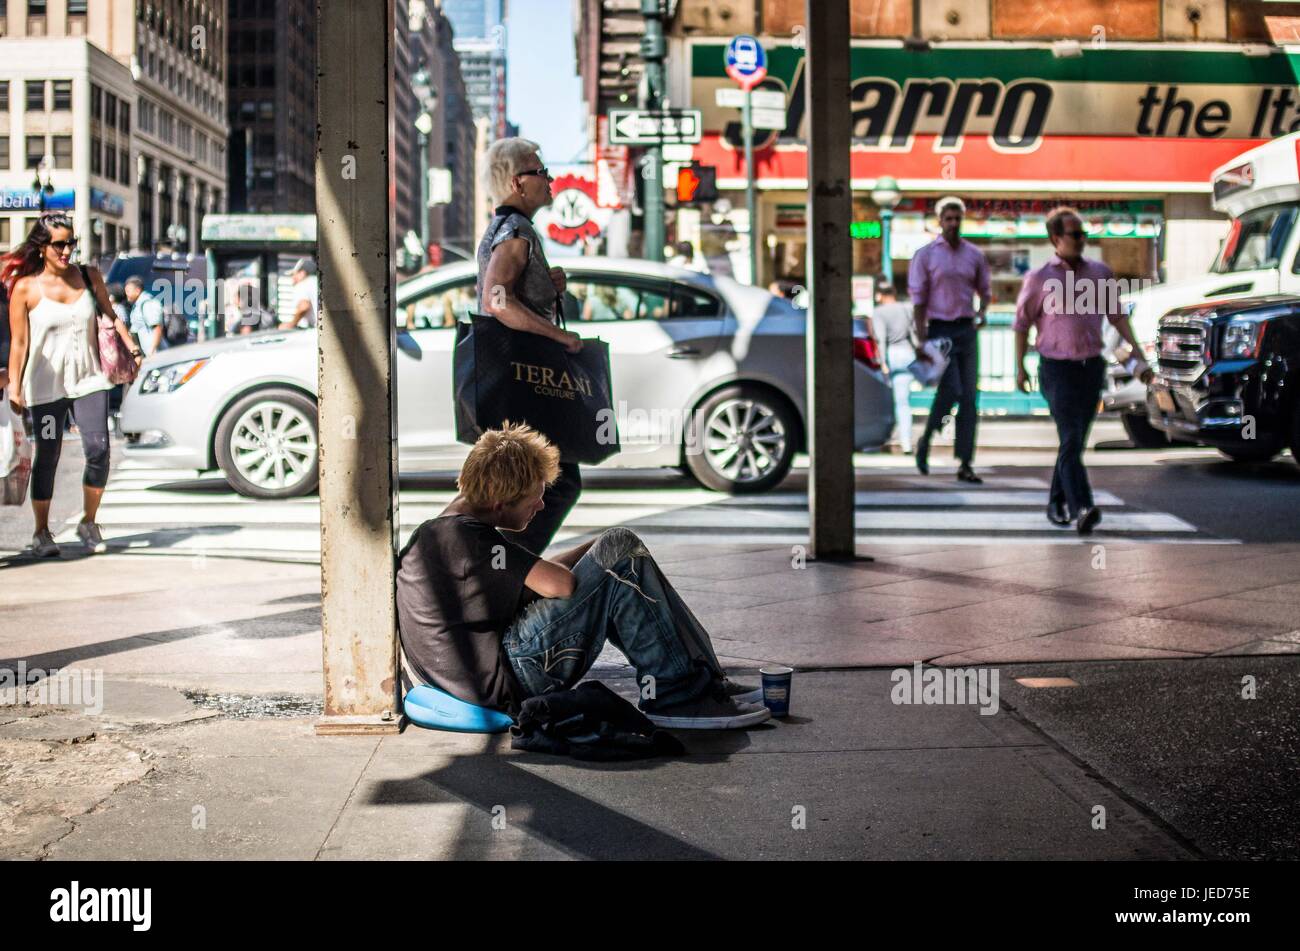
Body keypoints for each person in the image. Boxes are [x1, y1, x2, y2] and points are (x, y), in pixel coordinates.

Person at [396, 422, 771, 730]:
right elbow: (560, 584)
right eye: (535, 497)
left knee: (620, 547)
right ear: (500, 502)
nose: (542, 505)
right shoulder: (464, 538)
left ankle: (705, 683)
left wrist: (601, 549)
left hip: (490, 676)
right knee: (620, 547)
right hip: (509, 682)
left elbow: (541, 575)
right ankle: (679, 697)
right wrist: (609, 551)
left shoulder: (444, 532)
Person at [3, 213, 142, 557]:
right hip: (45, 387)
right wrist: (16, 388)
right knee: (47, 455)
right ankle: (41, 532)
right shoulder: (25, 288)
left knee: (98, 450)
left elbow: (111, 316)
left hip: (90, 379)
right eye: (59, 244)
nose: (67, 250)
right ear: (42, 246)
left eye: (71, 242)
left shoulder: (87, 275)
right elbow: (19, 343)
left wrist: (134, 349)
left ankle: (88, 521)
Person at [476, 137, 584, 555]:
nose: (550, 179)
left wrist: (546, 283)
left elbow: (509, 291)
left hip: (513, 375)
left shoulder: (510, 228)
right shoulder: (515, 231)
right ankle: (508, 568)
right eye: (541, 172)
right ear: (518, 183)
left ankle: (498, 566)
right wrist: (561, 336)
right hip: (523, 376)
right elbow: (496, 300)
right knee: (557, 480)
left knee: (523, 482)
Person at [1014, 206, 1150, 535]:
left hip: (1091, 367)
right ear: (1055, 238)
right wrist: (1018, 367)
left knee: (1073, 443)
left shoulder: (1100, 273)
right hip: (1056, 369)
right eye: (1075, 234)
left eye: (1083, 233)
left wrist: (1138, 354)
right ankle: (1082, 507)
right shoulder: (1039, 278)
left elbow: (1117, 317)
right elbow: (1021, 324)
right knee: (1071, 437)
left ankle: (1055, 501)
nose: (1081, 239)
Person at [909, 196, 991, 483]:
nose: (953, 223)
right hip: (939, 331)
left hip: (966, 329)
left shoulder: (974, 255)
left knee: (969, 397)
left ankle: (965, 462)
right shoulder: (927, 255)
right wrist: (920, 340)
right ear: (940, 221)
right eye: (949, 218)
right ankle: (927, 438)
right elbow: (918, 300)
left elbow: (985, 289)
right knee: (951, 390)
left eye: (958, 218)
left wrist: (981, 313)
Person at [870, 282, 916, 454]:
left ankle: (895, 437)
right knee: (904, 400)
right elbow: (914, 333)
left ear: (880, 295)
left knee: (895, 400)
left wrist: (882, 362)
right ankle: (906, 441)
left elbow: (881, 339)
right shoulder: (906, 308)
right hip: (908, 353)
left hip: (892, 355)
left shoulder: (879, 312)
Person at [124, 275, 166, 357]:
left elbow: (157, 328)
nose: (126, 294)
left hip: (155, 354)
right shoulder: (137, 305)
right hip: (147, 353)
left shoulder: (148, 303)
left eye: (128, 291)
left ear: (137, 290)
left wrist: (152, 350)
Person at [280, 258, 317, 330]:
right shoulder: (317, 283)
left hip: (310, 331)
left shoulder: (302, 284)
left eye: (294, 274)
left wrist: (291, 324)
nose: (292, 278)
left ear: (302, 273)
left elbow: (304, 306)